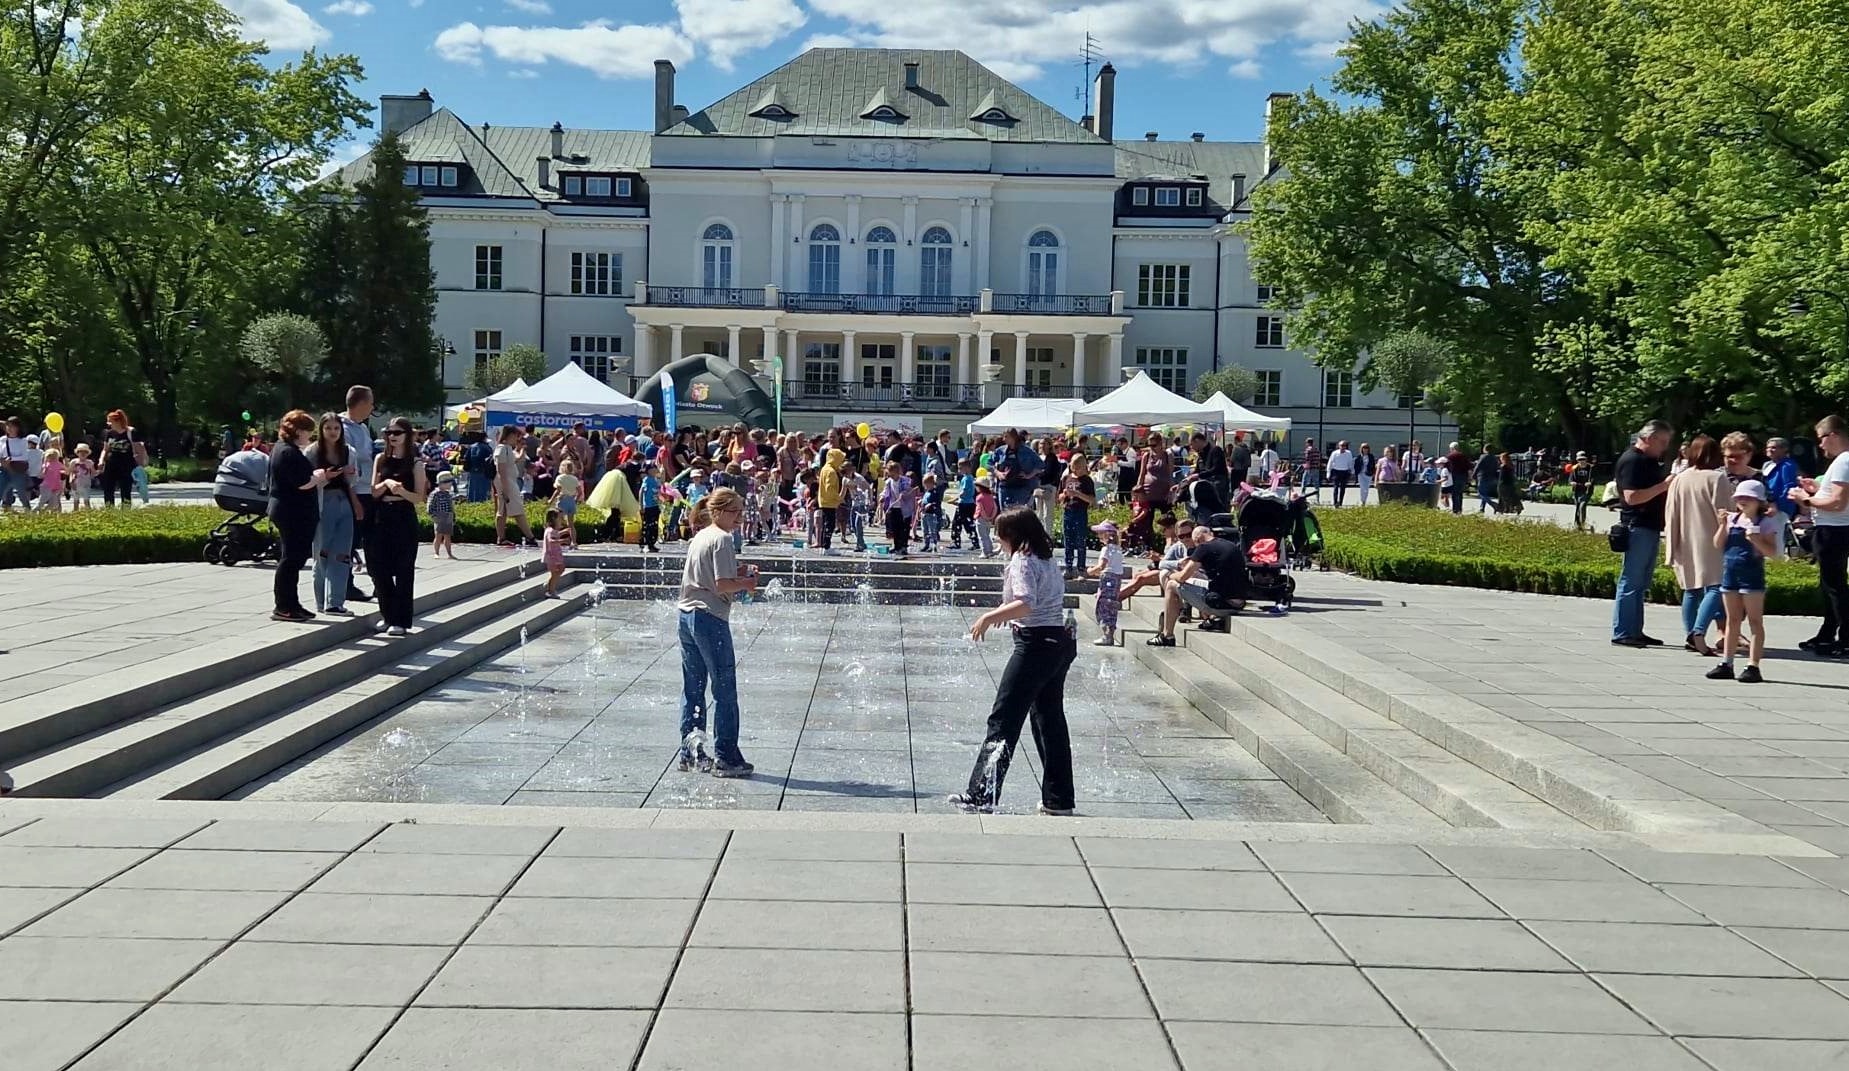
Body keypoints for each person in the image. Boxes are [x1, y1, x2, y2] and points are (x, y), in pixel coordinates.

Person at [949, 507, 1076, 816]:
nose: (996, 538)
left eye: (999, 533)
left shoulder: (1021, 561)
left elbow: (1025, 603)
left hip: (1034, 646)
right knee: (1050, 720)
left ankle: (982, 795)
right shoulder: (1046, 559)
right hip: (1058, 642)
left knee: (1004, 719)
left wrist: (989, 617)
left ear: (1012, 535)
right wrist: (1008, 613)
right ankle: (1058, 800)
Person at [676, 487, 759, 777]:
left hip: (686, 614)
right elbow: (722, 585)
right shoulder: (723, 538)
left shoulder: (701, 535)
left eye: (741, 511)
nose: (740, 517)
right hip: (710, 617)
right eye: (735, 511)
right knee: (724, 689)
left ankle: (690, 752)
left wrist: (738, 571)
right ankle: (726, 756)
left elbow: (708, 575)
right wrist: (747, 584)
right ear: (719, 511)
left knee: (693, 688)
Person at [1664, 434, 1733, 656]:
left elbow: (1670, 512)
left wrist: (1671, 544)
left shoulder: (1680, 478)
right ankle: (1698, 631)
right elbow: (1725, 512)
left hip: (1684, 539)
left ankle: (1690, 636)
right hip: (1712, 539)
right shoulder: (1717, 478)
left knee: (1691, 590)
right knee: (1716, 586)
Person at [1705, 480, 1779, 682]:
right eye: (1739, 497)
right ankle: (1727, 662)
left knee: (1755, 621)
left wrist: (1756, 540)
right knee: (1733, 620)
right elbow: (1718, 544)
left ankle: (1753, 665)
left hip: (1752, 576)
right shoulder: (1732, 520)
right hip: (1730, 575)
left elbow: (1773, 552)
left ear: (1759, 501)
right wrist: (1721, 525)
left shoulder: (1765, 523)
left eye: (1748, 498)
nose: (1742, 501)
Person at [1612, 420, 1676, 648]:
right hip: (1636, 526)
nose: (1664, 447)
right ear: (1648, 438)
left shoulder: (1647, 461)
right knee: (1631, 580)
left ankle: (1634, 630)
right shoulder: (1633, 461)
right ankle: (1622, 632)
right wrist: (1664, 486)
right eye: (1662, 442)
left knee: (1641, 582)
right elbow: (1631, 497)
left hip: (1648, 526)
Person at [1789, 414, 1849, 656]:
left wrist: (1805, 499)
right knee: (1828, 586)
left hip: (1834, 530)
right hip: (1833, 529)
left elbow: (1837, 502)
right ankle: (1827, 633)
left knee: (1835, 587)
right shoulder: (1842, 461)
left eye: (1822, 439)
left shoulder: (1844, 461)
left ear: (1833, 435)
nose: (1820, 445)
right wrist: (1816, 489)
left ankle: (1845, 638)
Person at [369, 417, 428, 637]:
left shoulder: (415, 463)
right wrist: (386, 484)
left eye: (397, 432)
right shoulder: (380, 459)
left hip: (403, 515)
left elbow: (419, 498)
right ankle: (388, 614)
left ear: (407, 435)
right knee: (378, 568)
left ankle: (401, 620)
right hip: (381, 516)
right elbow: (374, 491)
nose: (392, 436)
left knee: (404, 569)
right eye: (389, 433)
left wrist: (401, 491)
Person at [267, 410, 325, 623]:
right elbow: (301, 482)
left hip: (290, 511)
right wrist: (318, 477)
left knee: (294, 558)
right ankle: (283, 605)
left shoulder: (283, 449)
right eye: (308, 432)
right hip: (292, 512)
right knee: (291, 559)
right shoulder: (288, 453)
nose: (309, 437)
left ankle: (292, 603)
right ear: (298, 431)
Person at [1147, 525, 1249, 645]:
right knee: (1207, 586)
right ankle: (1211, 619)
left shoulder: (1203, 548)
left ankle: (1166, 636)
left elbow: (1182, 577)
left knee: (1171, 585)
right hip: (1239, 604)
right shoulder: (1231, 545)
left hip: (1221, 605)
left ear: (1198, 538)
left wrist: (1171, 576)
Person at [306, 412, 361, 617]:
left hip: (344, 500)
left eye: (336, 428)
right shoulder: (312, 452)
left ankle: (335, 602)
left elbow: (355, 480)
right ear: (321, 430)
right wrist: (325, 477)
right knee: (322, 552)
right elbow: (307, 481)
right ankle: (321, 600)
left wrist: (351, 474)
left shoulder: (349, 451)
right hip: (322, 502)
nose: (332, 432)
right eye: (328, 428)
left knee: (342, 552)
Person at [340, 387, 376, 603]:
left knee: (369, 539)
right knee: (350, 541)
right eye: (371, 403)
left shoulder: (362, 428)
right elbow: (349, 463)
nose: (373, 408)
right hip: (354, 492)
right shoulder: (343, 429)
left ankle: (377, 581)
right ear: (361, 403)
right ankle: (345, 585)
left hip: (367, 489)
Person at [1117, 515, 1187, 603]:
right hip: (1161, 566)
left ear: (1173, 527)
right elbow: (1167, 556)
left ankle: (1117, 597)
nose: (1163, 532)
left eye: (1164, 529)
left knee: (1141, 578)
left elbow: (1179, 561)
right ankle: (1118, 594)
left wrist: (1159, 558)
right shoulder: (1168, 538)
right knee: (1137, 575)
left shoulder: (1181, 542)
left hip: (1171, 570)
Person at [492, 424, 536, 547]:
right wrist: (505, 489)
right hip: (507, 482)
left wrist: (521, 448)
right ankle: (530, 537)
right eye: (516, 436)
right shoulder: (502, 449)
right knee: (517, 510)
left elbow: (516, 459)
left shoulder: (506, 448)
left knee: (503, 511)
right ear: (510, 435)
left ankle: (501, 538)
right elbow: (501, 470)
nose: (517, 439)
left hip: (508, 481)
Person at [1129, 432, 1172, 551]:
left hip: (1163, 493)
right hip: (1148, 493)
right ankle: (1148, 547)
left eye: (1154, 445)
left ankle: (1168, 544)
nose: (1152, 448)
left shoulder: (1167, 455)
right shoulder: (1146, 456)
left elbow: (1170, 474)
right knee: (1147, 521)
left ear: (1160, 444)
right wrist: (1137, 491)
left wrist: (1171, 491)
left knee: (1168, 520)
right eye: (1150, 445)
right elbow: (1142, 474)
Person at [1088, 520, 1126, 646]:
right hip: (1116, 580)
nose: (1098, 536)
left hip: (1107, 580)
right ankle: (1110, 633)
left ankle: (1106, 635)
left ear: (1108, 535)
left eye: (1101, 533)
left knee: (1103, 606)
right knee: (1111, 606)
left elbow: (1102, 566)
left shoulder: (1106, 549)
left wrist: (1091, 571)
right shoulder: (1118, 549)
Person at [97, 409, 146, 508]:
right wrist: (101, 460)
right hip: (111, 464)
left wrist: (141, 464)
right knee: (108, 489)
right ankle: (109, 511)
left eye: (110, 422)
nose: (109, 424)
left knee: (125, 490)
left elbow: (140, 449)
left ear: (118, 421)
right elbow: (105, 449)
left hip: (126, 465)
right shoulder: (109, 433)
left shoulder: (131, 432)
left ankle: (125, 512)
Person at [1059, 454, 1096, 577]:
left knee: (1081, 541)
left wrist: (1077, 494)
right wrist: (1064, 495)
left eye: (1079, 467)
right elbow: (1059, 497)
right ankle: (1068, 567)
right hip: (1068, 511)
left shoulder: (1087, 480)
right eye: (1074, 467)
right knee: (1068, 541)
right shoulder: (1066, 479)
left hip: (1080, 512)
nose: (1076, 470)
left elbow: (1092, 499)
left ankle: (1081, 568)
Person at [881, 458, 915, 558]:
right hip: (893, 506)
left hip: (904, 508)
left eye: (892, 473)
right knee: (895, 528)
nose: (891, 475)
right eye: (889, 473)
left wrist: (903, 494)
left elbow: (908, 490)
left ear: (897, 472)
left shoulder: (905, 480)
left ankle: (903, 546)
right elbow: (885, 491)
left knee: (904, 528)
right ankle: (896, 546)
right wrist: (882, 497)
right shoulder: (888, 482)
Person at [817, 448, 844, 554]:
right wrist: (839, 498)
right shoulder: (831, 471)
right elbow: (830, 488)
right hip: (829, 502)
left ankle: (823, 546)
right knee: (830, 525)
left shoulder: (825, 468)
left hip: (824, 500)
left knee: (825, 524)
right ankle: (826, 547)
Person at [551, 458, 581, 549]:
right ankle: (574, 542)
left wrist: (551, 500)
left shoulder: (560, 478)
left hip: (562, 499)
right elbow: (580, 492)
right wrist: (575, 500)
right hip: (571, 501)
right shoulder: (575, 479)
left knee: (557, 521)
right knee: (571, 524)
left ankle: (555, 540)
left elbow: (558, 490)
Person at [428, 470, 457, 559]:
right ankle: (436, 552)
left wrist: (453, 515)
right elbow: (430, 505)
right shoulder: (435, 494)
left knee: (447, 536)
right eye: (449, 483)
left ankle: (449, 553)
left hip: (448, 515)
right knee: (438, 535)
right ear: (442, 483)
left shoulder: (448, 494)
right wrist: (433, 515)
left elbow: (451, 505)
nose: (450, 485)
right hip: (439, 516)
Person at [542, 508, 568, 598]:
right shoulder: (549, 531)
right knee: (555, 572)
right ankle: (550, 591)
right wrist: (562, 540)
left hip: (556, 555)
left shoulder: (552, 530)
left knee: (561, 569)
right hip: (551, 555)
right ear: (554, 519)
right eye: (560, 518)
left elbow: (555, 535)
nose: (562, 520)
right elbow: (551, 540)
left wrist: (563, 532)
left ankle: (550, 583)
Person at [1568, 451, 1596, 530]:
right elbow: (1570, 479)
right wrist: (1571, 482)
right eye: (1580, 460)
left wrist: (1590, 482)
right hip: (1577, 489)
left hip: (1586, 490)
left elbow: (1593, 478)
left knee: (1582, 505)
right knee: (1577, 506)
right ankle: (1577, 524)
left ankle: (1582, 522)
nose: (1582, 461)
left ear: (1586, 459)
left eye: (1583, 459)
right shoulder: (1574, 468)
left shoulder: (1590, 468)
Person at [974, 474, 998, 557]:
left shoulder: (979, 498)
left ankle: (985, 552)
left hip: (981, 518)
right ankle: (990, 550)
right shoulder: (991, 496)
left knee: (982, 537)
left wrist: (985, 517)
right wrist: (991, 517)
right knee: (987, 535)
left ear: (980, 487)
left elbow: (981, 509)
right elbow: (995, 507)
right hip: (989, 519)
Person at [1444, 442, 1471, 514]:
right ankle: (1459, 509)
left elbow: (1446, 466)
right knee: (1460, 493)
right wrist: (1469, 478)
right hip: (1463, 476)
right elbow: (1469, 467)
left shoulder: (1450, 456)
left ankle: (1455, 510)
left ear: (1452, 448)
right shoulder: (1463, 456)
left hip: (1454, 476)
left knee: (1454, 493)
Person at [1325, 440, 1354, 507]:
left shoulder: (1349, 453)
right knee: (1335, 488)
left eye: (1344, 446)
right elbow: (1330, 463)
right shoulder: (1334, 453)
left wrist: (1352, 471)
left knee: (1343, 488)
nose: (1342, 447)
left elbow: (1350, 463)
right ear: (1338, 446)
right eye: (1341, 445)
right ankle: (1335, 503)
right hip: (1336, 472)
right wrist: (1328, 473)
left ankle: (1340, 502)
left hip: (1345, 472)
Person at [36, 447, 64, 512]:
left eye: (54, 456)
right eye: (51, 456)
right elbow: (41, 475)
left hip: (56, 485)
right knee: (42, 501)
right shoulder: (46, 465)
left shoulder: (58, 464)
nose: (53, 458)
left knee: (54, 503)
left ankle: (43, 511)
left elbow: (65, 470)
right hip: (47, 485)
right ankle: (34, 511)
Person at [1474, 447, 1499, 513]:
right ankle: (1482, 508)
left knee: (1480, 493)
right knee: (1485, 493)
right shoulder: (1494, 458)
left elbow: (1478, 466)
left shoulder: (1483, 456)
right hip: (1491, 477)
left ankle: (1494, 504)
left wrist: (1473, 474)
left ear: (1485, 449)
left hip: (1483, 476)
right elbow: (1497, 467)